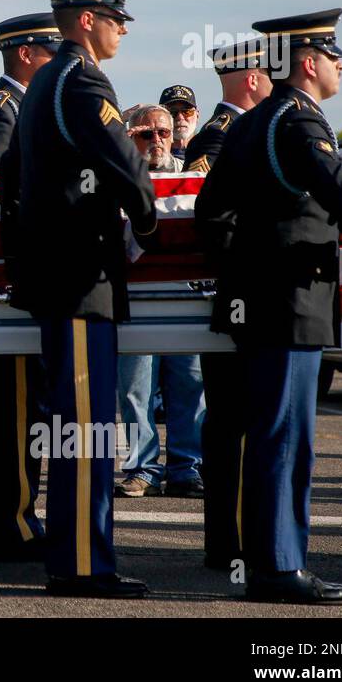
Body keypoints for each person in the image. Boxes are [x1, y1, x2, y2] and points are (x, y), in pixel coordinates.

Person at [196, 9, 342, 605]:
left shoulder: (254, 123)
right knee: (286, 439)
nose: (340, 65)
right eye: (334, 56)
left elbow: (210, 211)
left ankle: (269, 562)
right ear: (308, 63)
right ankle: (278, 568)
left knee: (270, 433)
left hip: (262, 302)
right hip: (289, 302)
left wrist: (248, 262)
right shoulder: (301, 123)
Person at [0, 0, 157, 598]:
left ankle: (71, 555)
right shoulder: (84, 79)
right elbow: (126, 164)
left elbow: (11, 177)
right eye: (115, 17)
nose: (122, 27)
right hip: (80, 276)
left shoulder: (41, 86)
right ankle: (84, 565)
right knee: (87, 427)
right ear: (87, 20)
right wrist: (146, 223)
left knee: (72, 426)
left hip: (53, 274)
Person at [0, 13, 61, 563]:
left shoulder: (22, 109)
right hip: (5, 287)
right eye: (50, 51)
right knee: (14, 411)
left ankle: (17, 519)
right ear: (25, 54)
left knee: (24, 411)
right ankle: (11, 525)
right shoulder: (1, 114)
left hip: (16, 283)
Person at [183, 37, 273, 569]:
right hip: (228, 297)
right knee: (232, 420)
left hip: (234, 297)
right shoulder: (219, 138)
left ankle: (232, 537)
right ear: (253, 79)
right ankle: (229, 539)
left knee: (234, 418)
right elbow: (212, 220)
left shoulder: (232, 132)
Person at [114, 105, 205, 498]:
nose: (157, 141)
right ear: (128, 137)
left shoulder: (193, 181)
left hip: (185, 299)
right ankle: (143, 468)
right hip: (135, 300)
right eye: (145, 134)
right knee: (136, 389)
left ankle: (186, 467)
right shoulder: (113, 181)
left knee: (189, 384)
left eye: (164, 133)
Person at [159, 85, 199, 160]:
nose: (180, 117)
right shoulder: (151, 155)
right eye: (172, 112)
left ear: (197, 116)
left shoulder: (210, 151)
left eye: (187, 111)